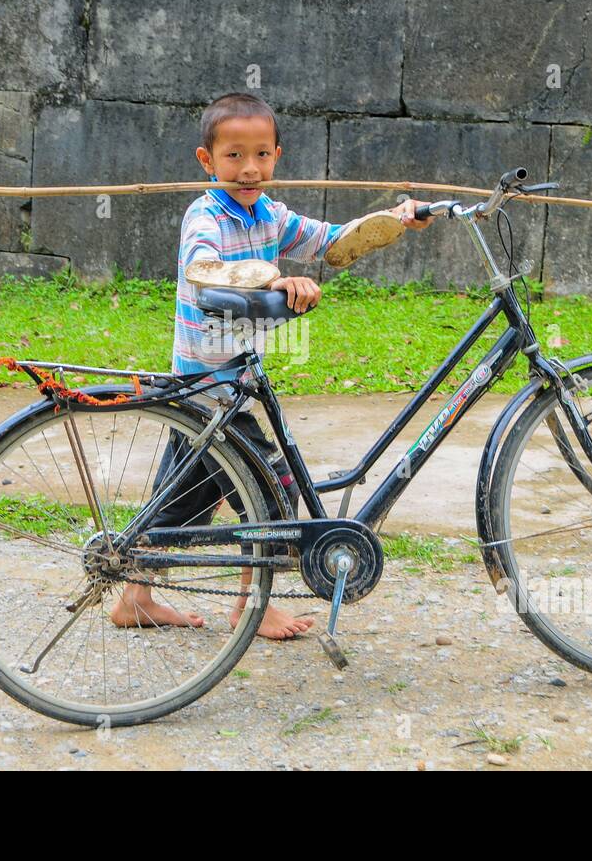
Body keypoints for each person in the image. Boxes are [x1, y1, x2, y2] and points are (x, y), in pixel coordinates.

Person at [109, 92, 431, 639]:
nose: (249, 167)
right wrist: (271, 278)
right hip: (207, 383)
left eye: (261, 154)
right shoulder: (206, 215)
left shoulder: (270, 213)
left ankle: (134, 597)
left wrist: (393, 221)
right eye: (234, 156)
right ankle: (252, 605)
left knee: (187, 495)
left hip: (228, 381)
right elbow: (202, 268)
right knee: (268, 489)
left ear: (277, 155)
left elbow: (331, 244)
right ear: (206, 162)